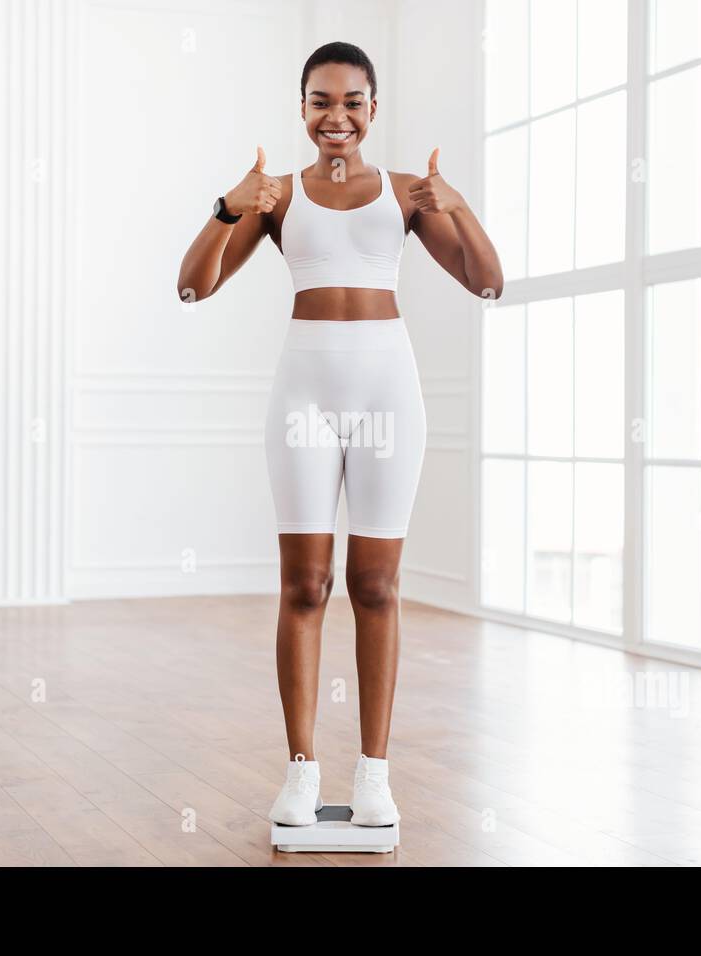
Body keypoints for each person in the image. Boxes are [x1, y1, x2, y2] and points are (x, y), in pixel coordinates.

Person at [176, 41, 503, 828]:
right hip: (305, 398)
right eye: (322, 101)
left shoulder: (407, 194)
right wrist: (230, 205)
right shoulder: (276, 196)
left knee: (378, 587)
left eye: (353, 101)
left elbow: (488, 280)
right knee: (304, 584)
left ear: (373, 109)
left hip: (389, 393)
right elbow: (193, 285)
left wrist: (454, 203)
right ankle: (299, 770)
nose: (337, 116)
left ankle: (374, 774)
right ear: (302, 108)